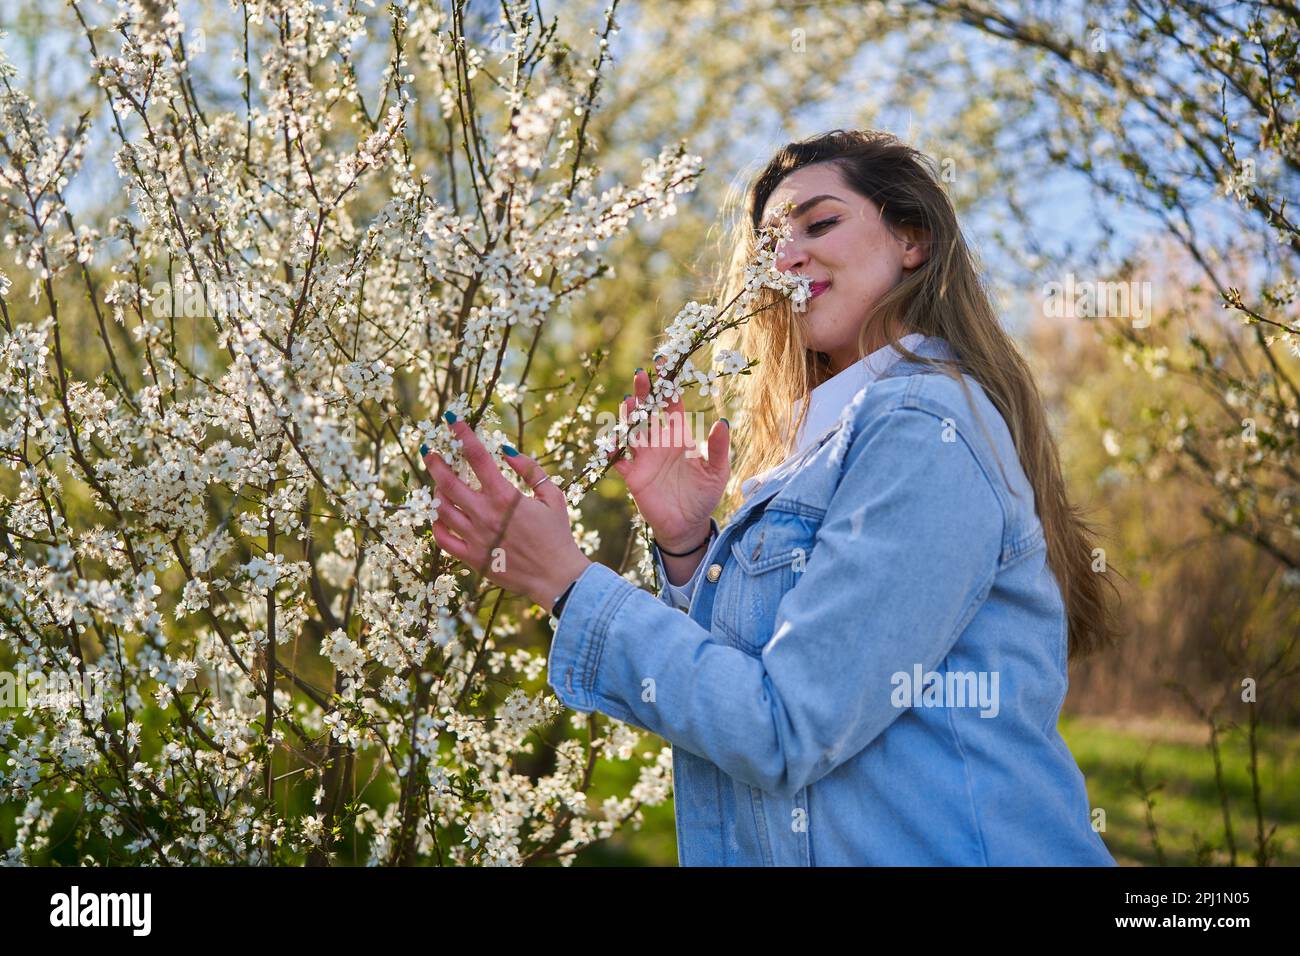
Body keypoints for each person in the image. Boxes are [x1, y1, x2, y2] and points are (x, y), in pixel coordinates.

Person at [421, 129, 1118, 866]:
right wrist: (690, 549)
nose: (786, 257)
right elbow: (753, 698)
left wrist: (567, 581)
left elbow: (784, 729)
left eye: (819, 224)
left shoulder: (922, 427)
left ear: (911, 238)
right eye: (768, 246)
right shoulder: (832, 441)